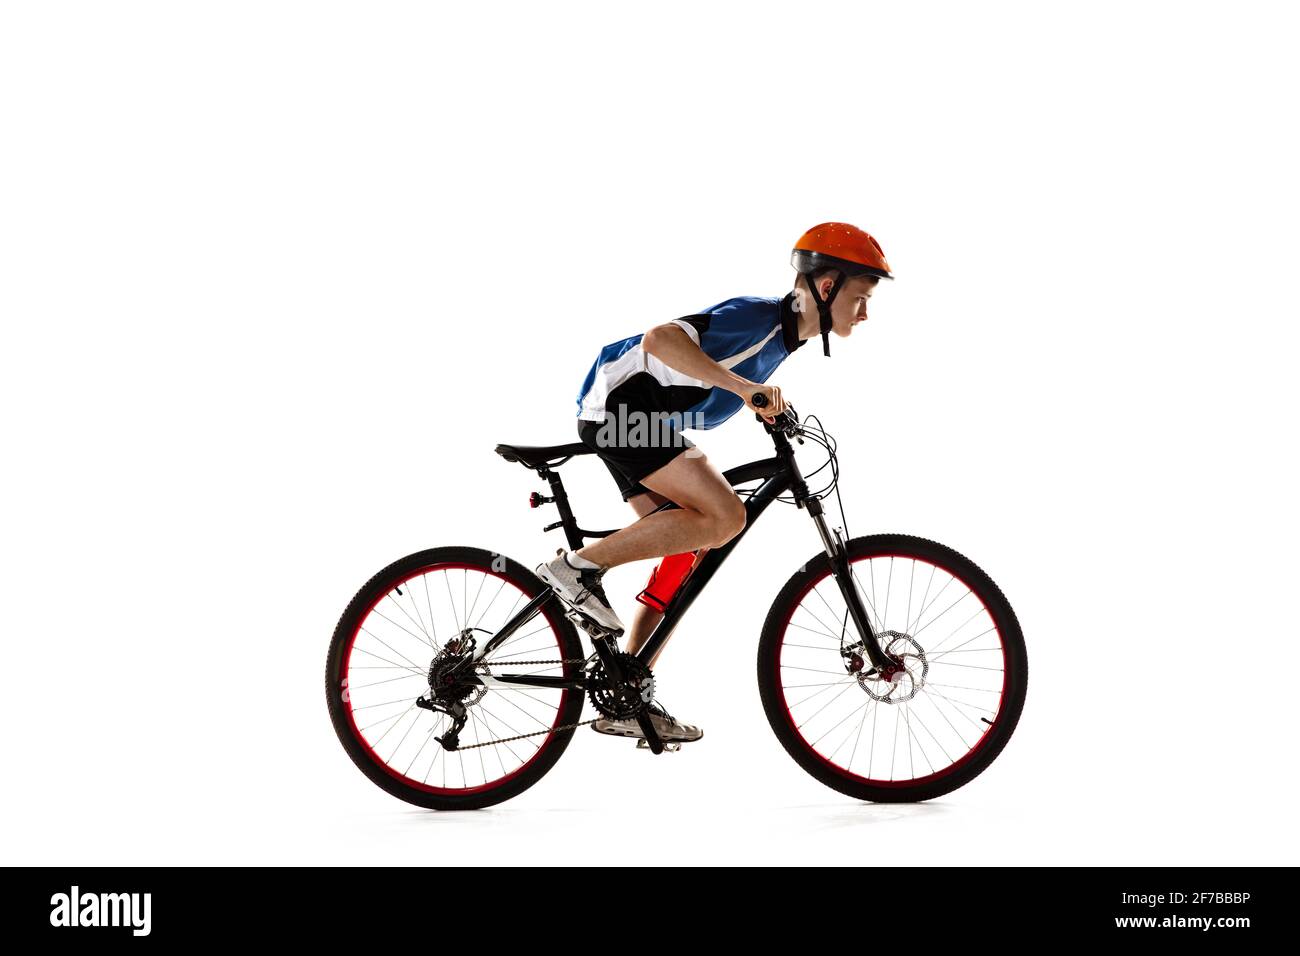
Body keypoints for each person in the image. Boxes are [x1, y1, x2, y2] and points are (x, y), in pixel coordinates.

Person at [536, 222, 892, 742]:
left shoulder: (783, 340)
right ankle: (573, 570)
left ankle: (628, 693)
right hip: (619, 411)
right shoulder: (760, 317)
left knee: (690, 544)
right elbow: (661, 340)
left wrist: (761, 403)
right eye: (860, 297)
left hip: (642, 418)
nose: (865, 313)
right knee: (725, 517)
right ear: (826, 286)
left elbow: (709, 381)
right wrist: (746, 389)